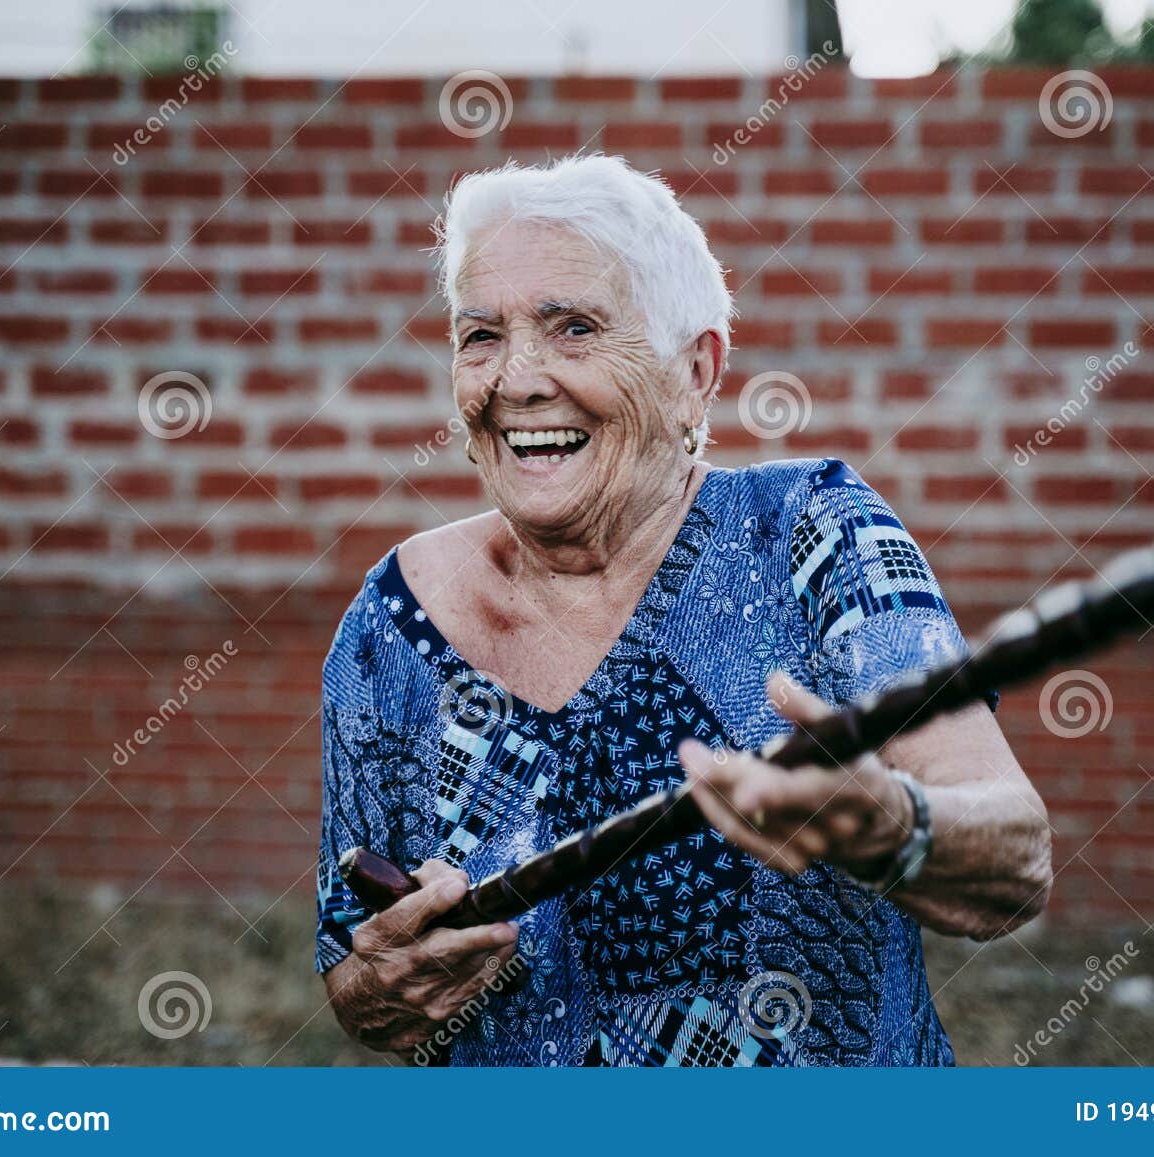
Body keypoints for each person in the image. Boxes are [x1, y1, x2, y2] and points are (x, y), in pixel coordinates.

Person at [316, 155, 1052, 1066]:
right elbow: (351, 975)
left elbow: (1016, 857)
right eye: (479, 337)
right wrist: (382, 984)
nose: (517, 378)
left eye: (574, 327)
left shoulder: (812, 533)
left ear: (695, 372)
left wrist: (896, 825)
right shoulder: (390, 626)